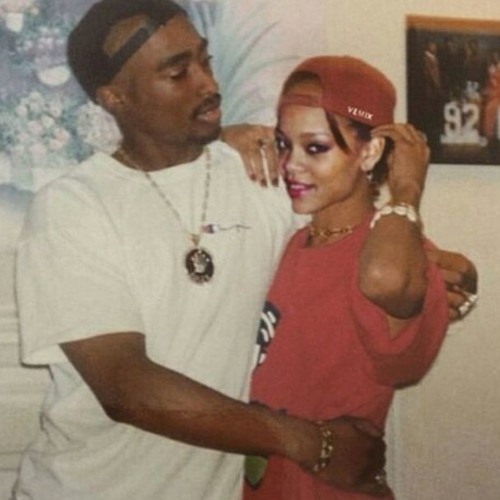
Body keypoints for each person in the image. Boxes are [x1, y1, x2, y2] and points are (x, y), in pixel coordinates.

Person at [13, 1, 477, 499]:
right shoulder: (74, 207)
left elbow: (351, 238)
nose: (208, 84)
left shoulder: (264, 175)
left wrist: (450, 273)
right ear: (115, 98)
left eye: (205, 60)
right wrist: (311, 442)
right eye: (178, 73)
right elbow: (125, 386)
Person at [243, 56, 451, 499]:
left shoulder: (396, 256)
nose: (291, 165)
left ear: (370, 152)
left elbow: (384, 279)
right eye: (284, 144)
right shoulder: (295, 242)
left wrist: (408, 188)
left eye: (315, 147)